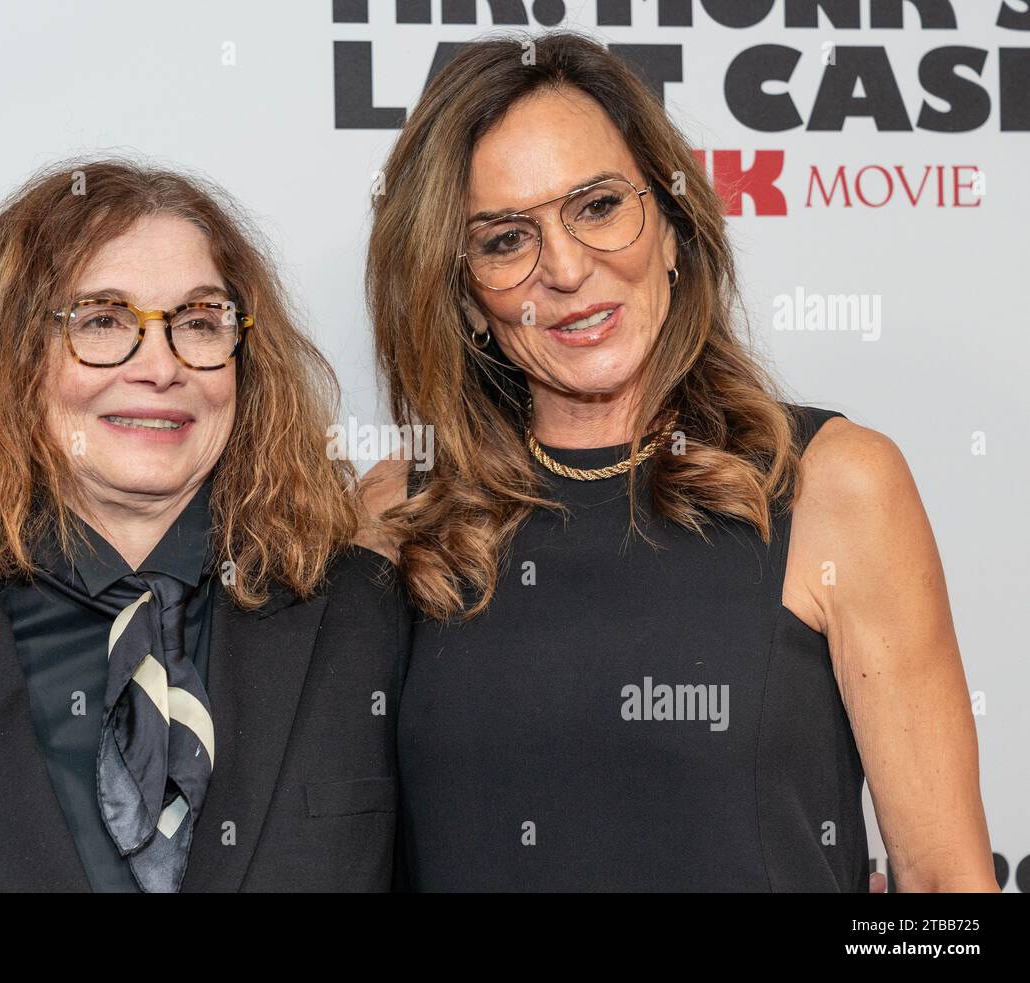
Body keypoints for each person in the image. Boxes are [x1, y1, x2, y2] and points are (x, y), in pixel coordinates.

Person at [361, 32, 996, 892]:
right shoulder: (405, 511)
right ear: (467, 296)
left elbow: (944, 890)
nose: (569, 268)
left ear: (672, 224)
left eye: (597, 206)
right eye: (507, 240)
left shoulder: (833, 485)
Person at [0, 158, 406, 893]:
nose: (160, 366)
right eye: (102, 320)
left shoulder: (368, 616)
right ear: (9, 357)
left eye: (199, 322)